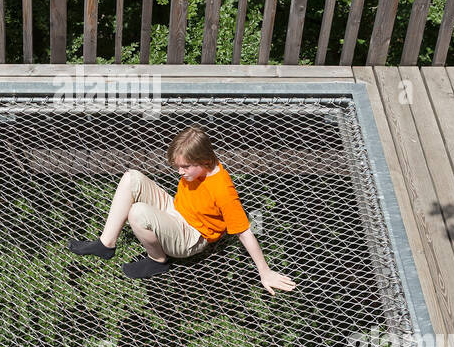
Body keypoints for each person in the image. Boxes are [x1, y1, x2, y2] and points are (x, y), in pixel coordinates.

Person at [68, 125, 298, 293]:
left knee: (138, 212)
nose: (180, 172)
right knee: (132, 177)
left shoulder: (222, 191)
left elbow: (244, 231)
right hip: (177, 210)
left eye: (185, 166)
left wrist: (265, 272)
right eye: (178, 166)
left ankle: (157, 260)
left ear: (205, 161)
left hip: (192, 235)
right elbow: (194, 143)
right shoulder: (201, 162)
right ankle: (106, 244)